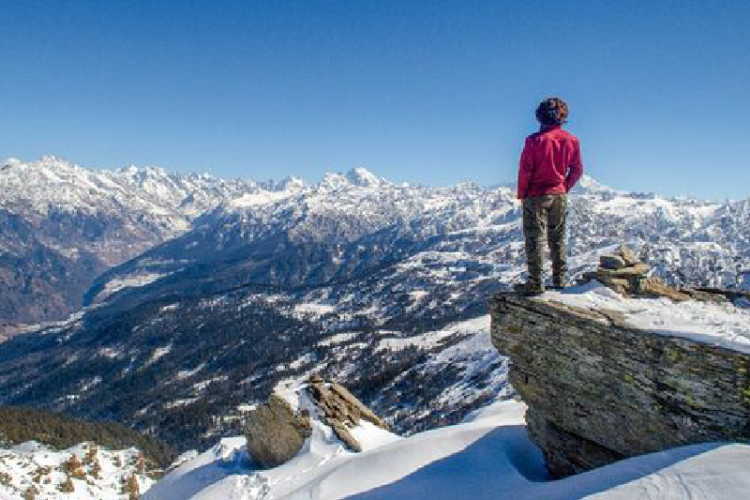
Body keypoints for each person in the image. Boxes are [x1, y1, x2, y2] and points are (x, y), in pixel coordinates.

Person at [514, 97, 583, 295]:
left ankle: (535, 282)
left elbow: (525, 170)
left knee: (535, 239)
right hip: (559, 194)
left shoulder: (534, 141)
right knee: (558, 237)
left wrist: (523, 194)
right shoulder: (572, 140)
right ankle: (560, 278)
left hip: (536, 195)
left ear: (539, 117)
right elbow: (577, 170)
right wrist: (564, 187)